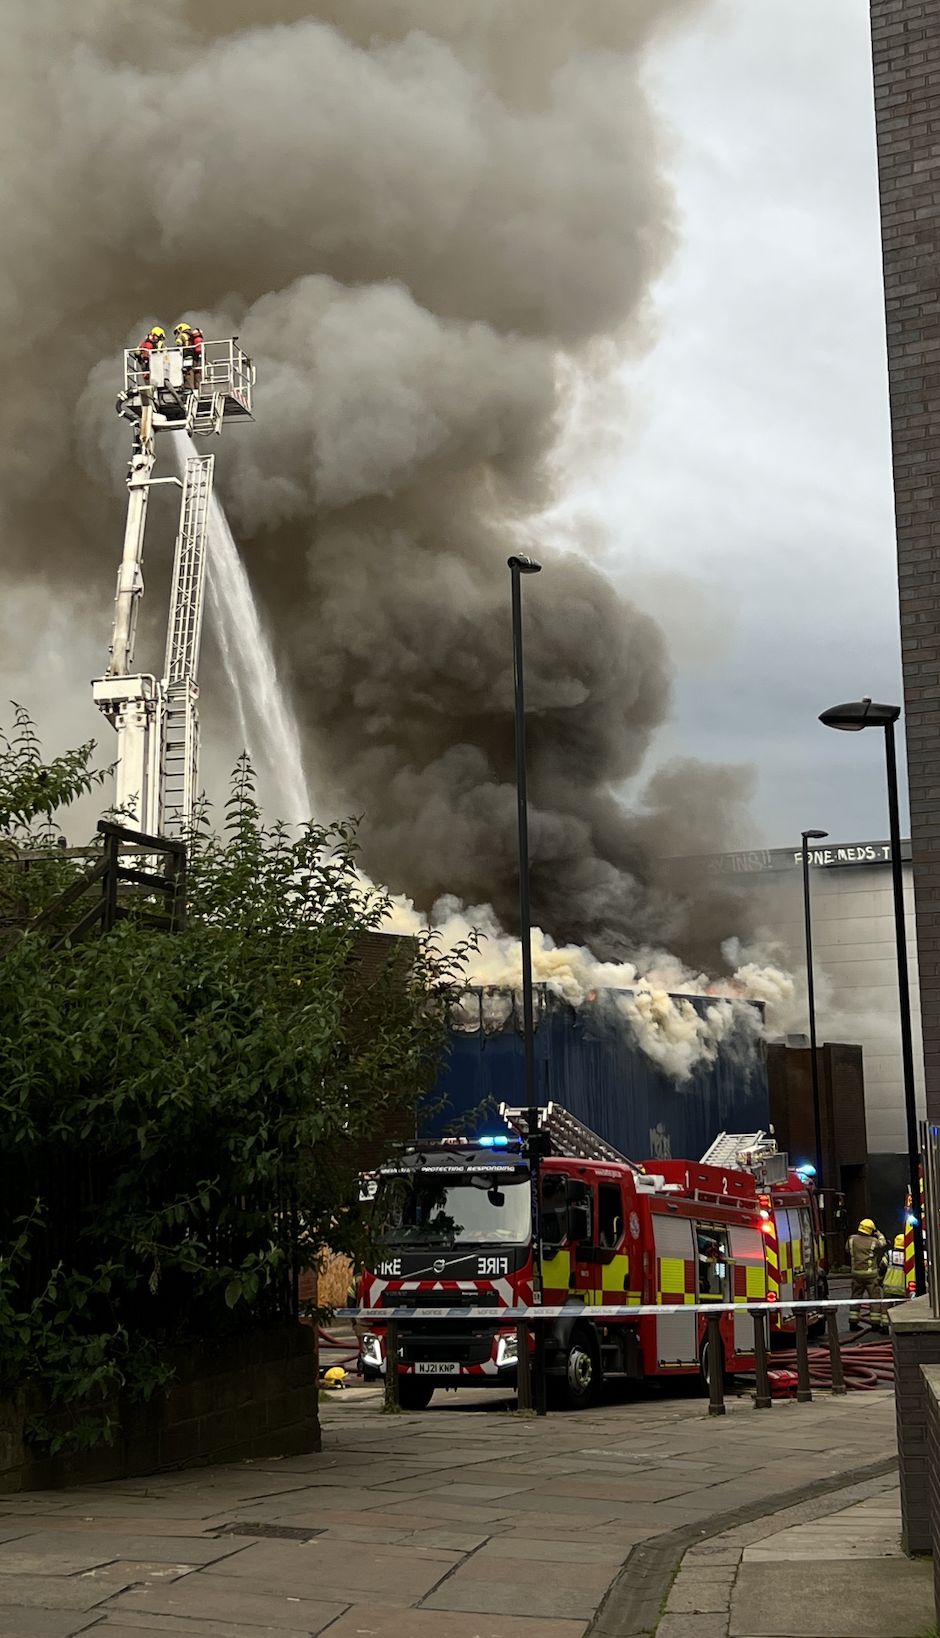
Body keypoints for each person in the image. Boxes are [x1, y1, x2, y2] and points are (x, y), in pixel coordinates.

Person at [847, 1216, 888, 1331]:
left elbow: (847, 1250)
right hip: (871, 1276)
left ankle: (853, 1323)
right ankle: (875, 1324)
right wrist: (878, 1234)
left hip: (856, 1274)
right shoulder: (874, 1242)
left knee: (855, 1297)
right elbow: (883, 1243)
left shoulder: (851, 1239)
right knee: (874, 1299)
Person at [174, 321, 204, 389]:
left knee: (188, 373)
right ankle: (198, 387)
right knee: (196, 373)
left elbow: (178, 343)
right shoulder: (192, 336)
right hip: (194, 357)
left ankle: (189, 388)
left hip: (186, 356)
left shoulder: (182, 335)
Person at [882, 1231, 907, 1303]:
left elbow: (882, 1267)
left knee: (886, 1308)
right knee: (900, 1309)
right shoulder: (909, 1256)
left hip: (888, 1288)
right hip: (903, 1289)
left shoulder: (889, 1254)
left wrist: (880, 1279)